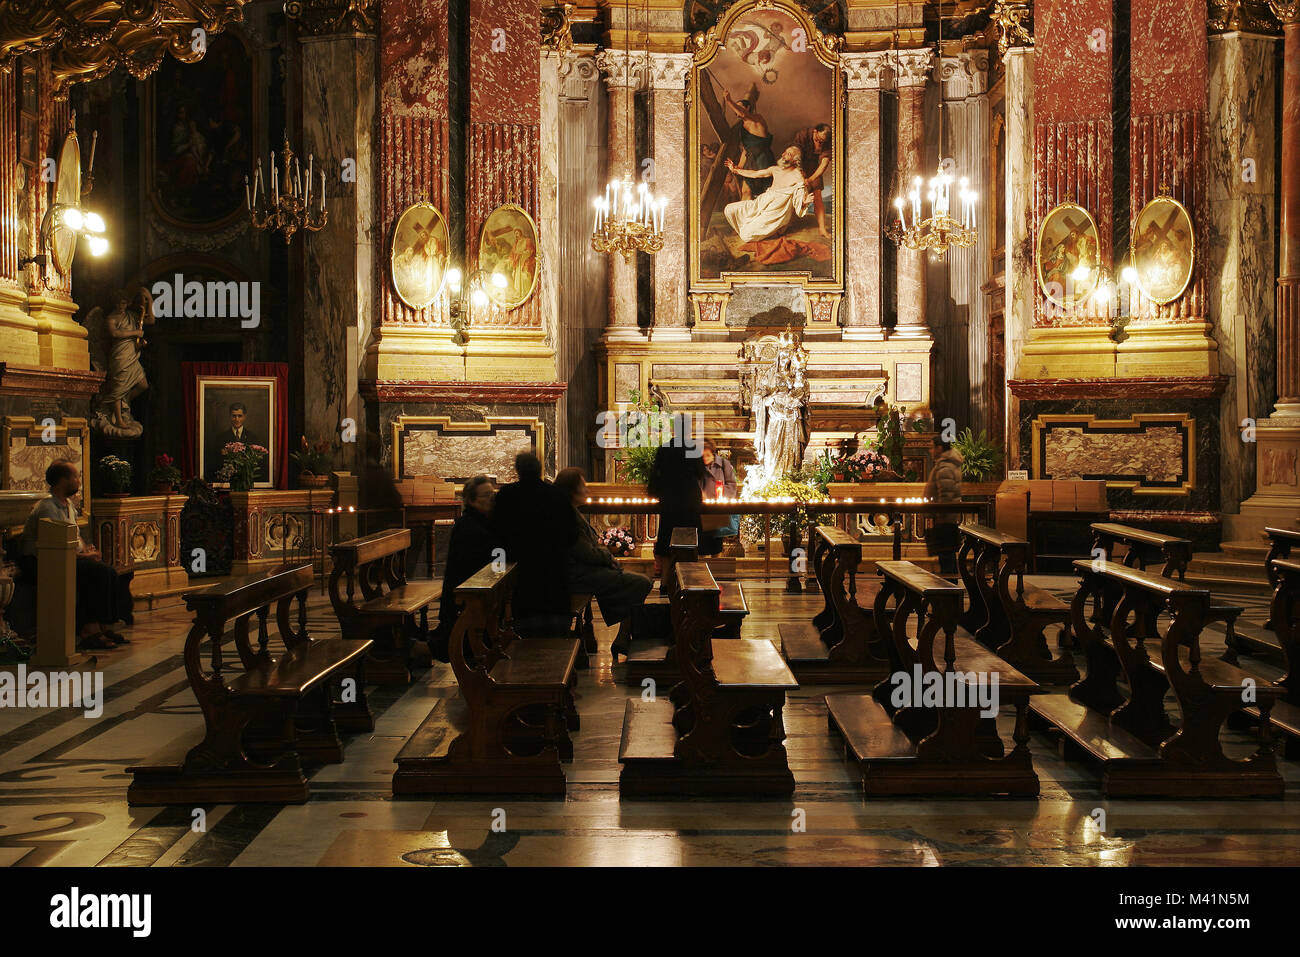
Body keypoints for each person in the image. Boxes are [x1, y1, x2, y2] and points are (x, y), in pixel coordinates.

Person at [21, 461, 126, 650]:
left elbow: (74, 537)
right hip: (44, 563)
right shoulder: (47, 508)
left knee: (108, 570)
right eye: (75, 477)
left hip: (67, 558)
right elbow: (55, 546)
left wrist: (88, 552)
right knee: (98, 572)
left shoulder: (67, 504)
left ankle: (103, 625)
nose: (79, 481)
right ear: (63, 481)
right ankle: (89, 630)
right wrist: (85, 558)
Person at [553, 468, 653, 662]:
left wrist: (606, 558)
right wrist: (608, 558)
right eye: (583, 486)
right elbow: (585, 552)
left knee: (633, 581)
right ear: (572, 490)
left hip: (583, 570)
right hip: (578, 575)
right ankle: (623, 637)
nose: (587, 490)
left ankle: (623, 637)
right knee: (642, 582)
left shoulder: (570, 512)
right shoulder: (568, 516)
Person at [492, 451, 576, 636]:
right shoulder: (557, 495)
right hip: (554, 571)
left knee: (526, 622)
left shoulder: (506, 495)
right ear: (540, 470)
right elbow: (572, 534)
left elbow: (497, 532)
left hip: (522, 569)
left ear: (518, 471)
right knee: (555, 627)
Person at [429, 474, 501, 662]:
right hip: (464, 597)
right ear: (471, 500)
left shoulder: (483, 521)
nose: (490, 499)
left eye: (491, 494)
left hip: (475, 592)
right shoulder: (468, 526)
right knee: (456, 645)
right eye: (485, 495)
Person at [722, 146, 813, 243]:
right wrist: (735, 170)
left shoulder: (797, 176)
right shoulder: (775, 169)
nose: (783, 155)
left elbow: (799, 198)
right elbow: (755, 174)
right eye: (785, 152)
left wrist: (804, 202)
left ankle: (773, 230)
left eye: (788, 154)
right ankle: (755, 227)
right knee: (729, 210)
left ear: (795, 160)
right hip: (762, 202)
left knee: (746, 236)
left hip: (776, 211)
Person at [646, 441, 705, 581]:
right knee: (690, 542)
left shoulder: (664, 448)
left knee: (667, 541)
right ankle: (689, 580)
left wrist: (654, 491)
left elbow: (656, 472)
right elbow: (700, 472)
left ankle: (665, 582)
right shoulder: (692, 448)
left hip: (669, 499)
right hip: (689, 500)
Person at [923, 436, 965, 576]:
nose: (930, 451)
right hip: (948, 516)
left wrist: (939, 513)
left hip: (945, 516)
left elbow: (946, 493)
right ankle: (951, 587)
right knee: (948, 554)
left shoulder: (945, 466)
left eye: (932, 447)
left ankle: (949, 589)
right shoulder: (947, 463)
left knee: (946, 556)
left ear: (939, 448)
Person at [207, 401, 268, 482]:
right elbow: (216, 463)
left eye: (240, 416)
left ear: (245, 417)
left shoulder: (253, 438)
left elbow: (258, 464)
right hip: (227, 481)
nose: (237, 419)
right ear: (229, 416)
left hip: (247, 481)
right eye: (234, 416)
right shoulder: (220, 438)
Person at [791, 123, 833, 239]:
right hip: (797, 167)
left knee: (817, 195)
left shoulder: (828, 142)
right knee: (793, 194)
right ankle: (787, 224)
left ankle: (822, 229)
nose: (819, 143)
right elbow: (795, 154)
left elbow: (824, 164)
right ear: (815, 132)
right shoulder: (803, 135)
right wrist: (799, 172)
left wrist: (810, 179)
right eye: (818, 139)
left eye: (822, 142)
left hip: (814, 169)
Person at [698, 439, 737, 557]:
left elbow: (731, 485)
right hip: (702, 511)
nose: (705, 458)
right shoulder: (697, 466)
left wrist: (721, 497)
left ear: (713, 453)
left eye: (707, 455)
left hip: (717, 510)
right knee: (702, 545)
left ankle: (716, 572)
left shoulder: (724, 465)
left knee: (716, 545)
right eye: (702, 456)